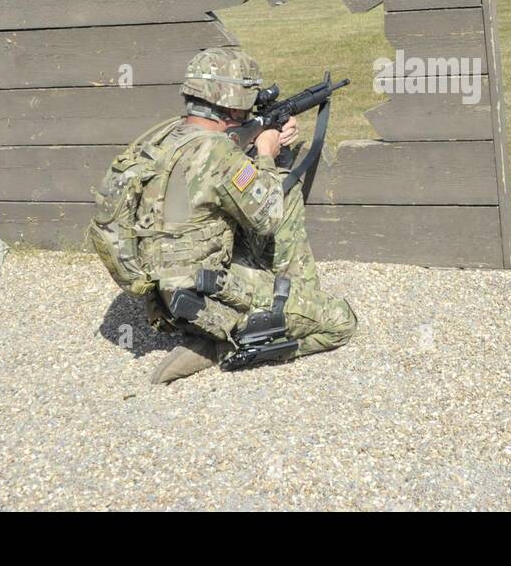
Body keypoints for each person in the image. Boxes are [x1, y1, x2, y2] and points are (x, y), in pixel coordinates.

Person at [139, 46, 357, 383]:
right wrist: (268, 153)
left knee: (286, 186)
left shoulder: (166, 137)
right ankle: (224, 344)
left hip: (164, 291)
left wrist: (259, 140)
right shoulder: (219, 154)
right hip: (207, 294)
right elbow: (268, 212)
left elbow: (210, 185)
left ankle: (292, 301)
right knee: (341, 322)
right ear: (230, 100)